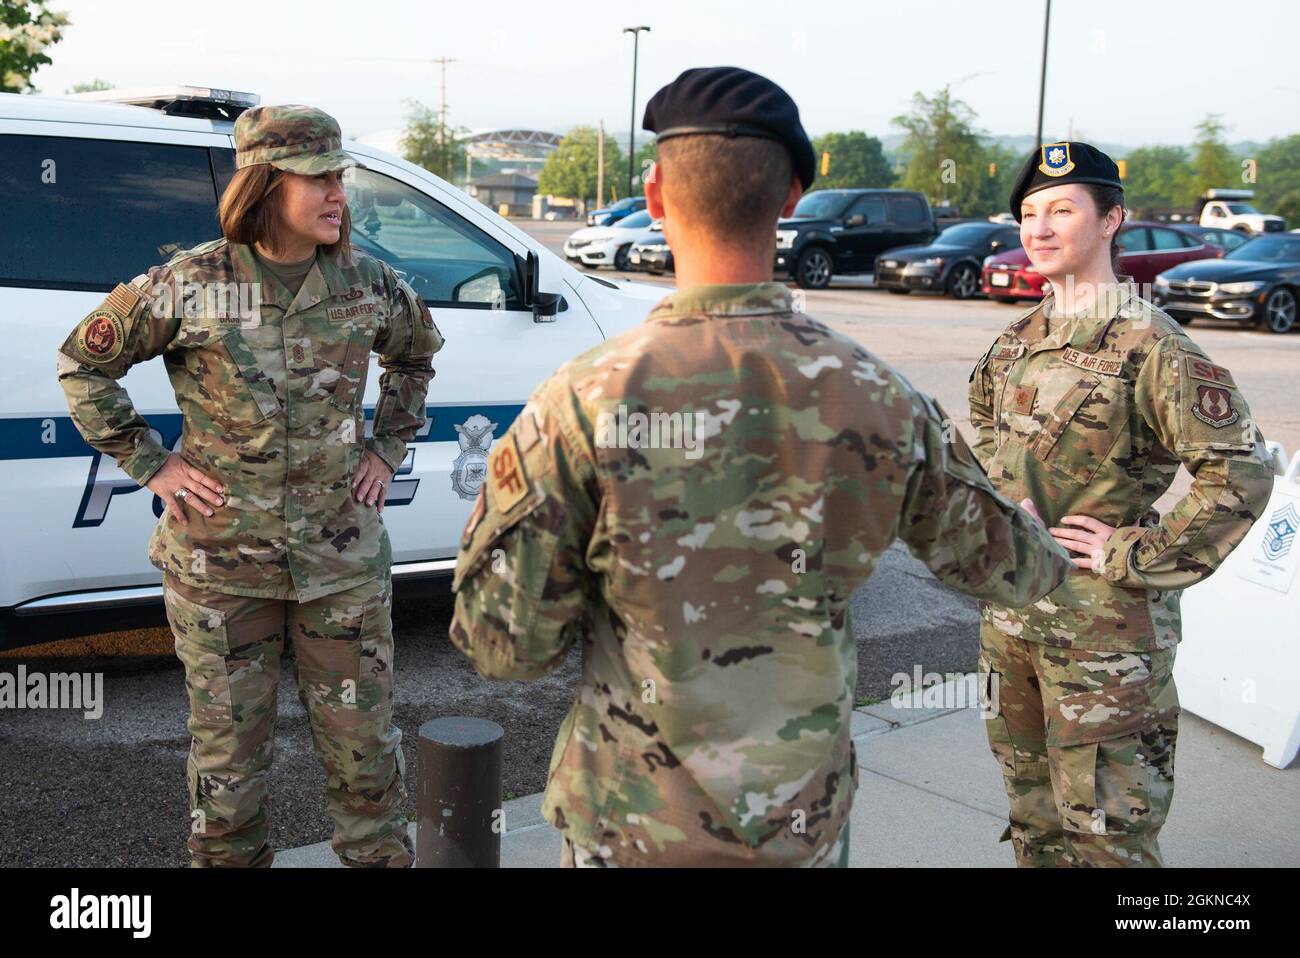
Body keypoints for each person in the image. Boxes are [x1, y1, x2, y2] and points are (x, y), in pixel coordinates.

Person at [449, 66, 1073, 868]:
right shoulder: (881, 395)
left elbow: (504, 647)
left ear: (656, 194)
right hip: (797, 825)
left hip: (631, 825)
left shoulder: (585, 398)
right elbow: (1016, 571)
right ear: (792, 198)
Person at [56, 104, 443, 867]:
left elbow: (415, 358)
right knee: (229, 772)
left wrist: (388, 447)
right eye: (318, 178)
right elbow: (83, 364)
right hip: (220, 566)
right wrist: (153, 464)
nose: (339, 194)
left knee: (366, 761)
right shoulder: (192, 282)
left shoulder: (368, 284)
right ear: (266, 184)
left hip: (341, 563)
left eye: (341, 176)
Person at [968, 141, 1274, 868]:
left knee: (1107, 837)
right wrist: (1007, 501)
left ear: (1112, 221)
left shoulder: (1154, 346)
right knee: (1033, 821)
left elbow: (1239, 475)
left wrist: (1133, 552)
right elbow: (985, 433)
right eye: (1029, 214)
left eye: (1062, 211)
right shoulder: (1016, 341)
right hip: (1011, 626)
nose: (1038, 229)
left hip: (1103, 642)